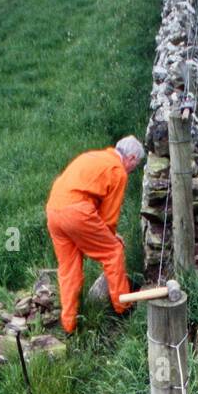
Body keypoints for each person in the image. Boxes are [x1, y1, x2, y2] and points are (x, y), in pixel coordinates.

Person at [46, 136, 145, 334]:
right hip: (76, 212)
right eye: (136, 165)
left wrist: (104, 235)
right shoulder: (118, 171)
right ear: (132, 158)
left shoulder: (95, 156)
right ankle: (122, 306)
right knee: (113, 252)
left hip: (54, 211)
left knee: (69, 268)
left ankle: (68, 325)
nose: (133, 169)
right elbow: (109, 217)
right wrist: (111, 238)